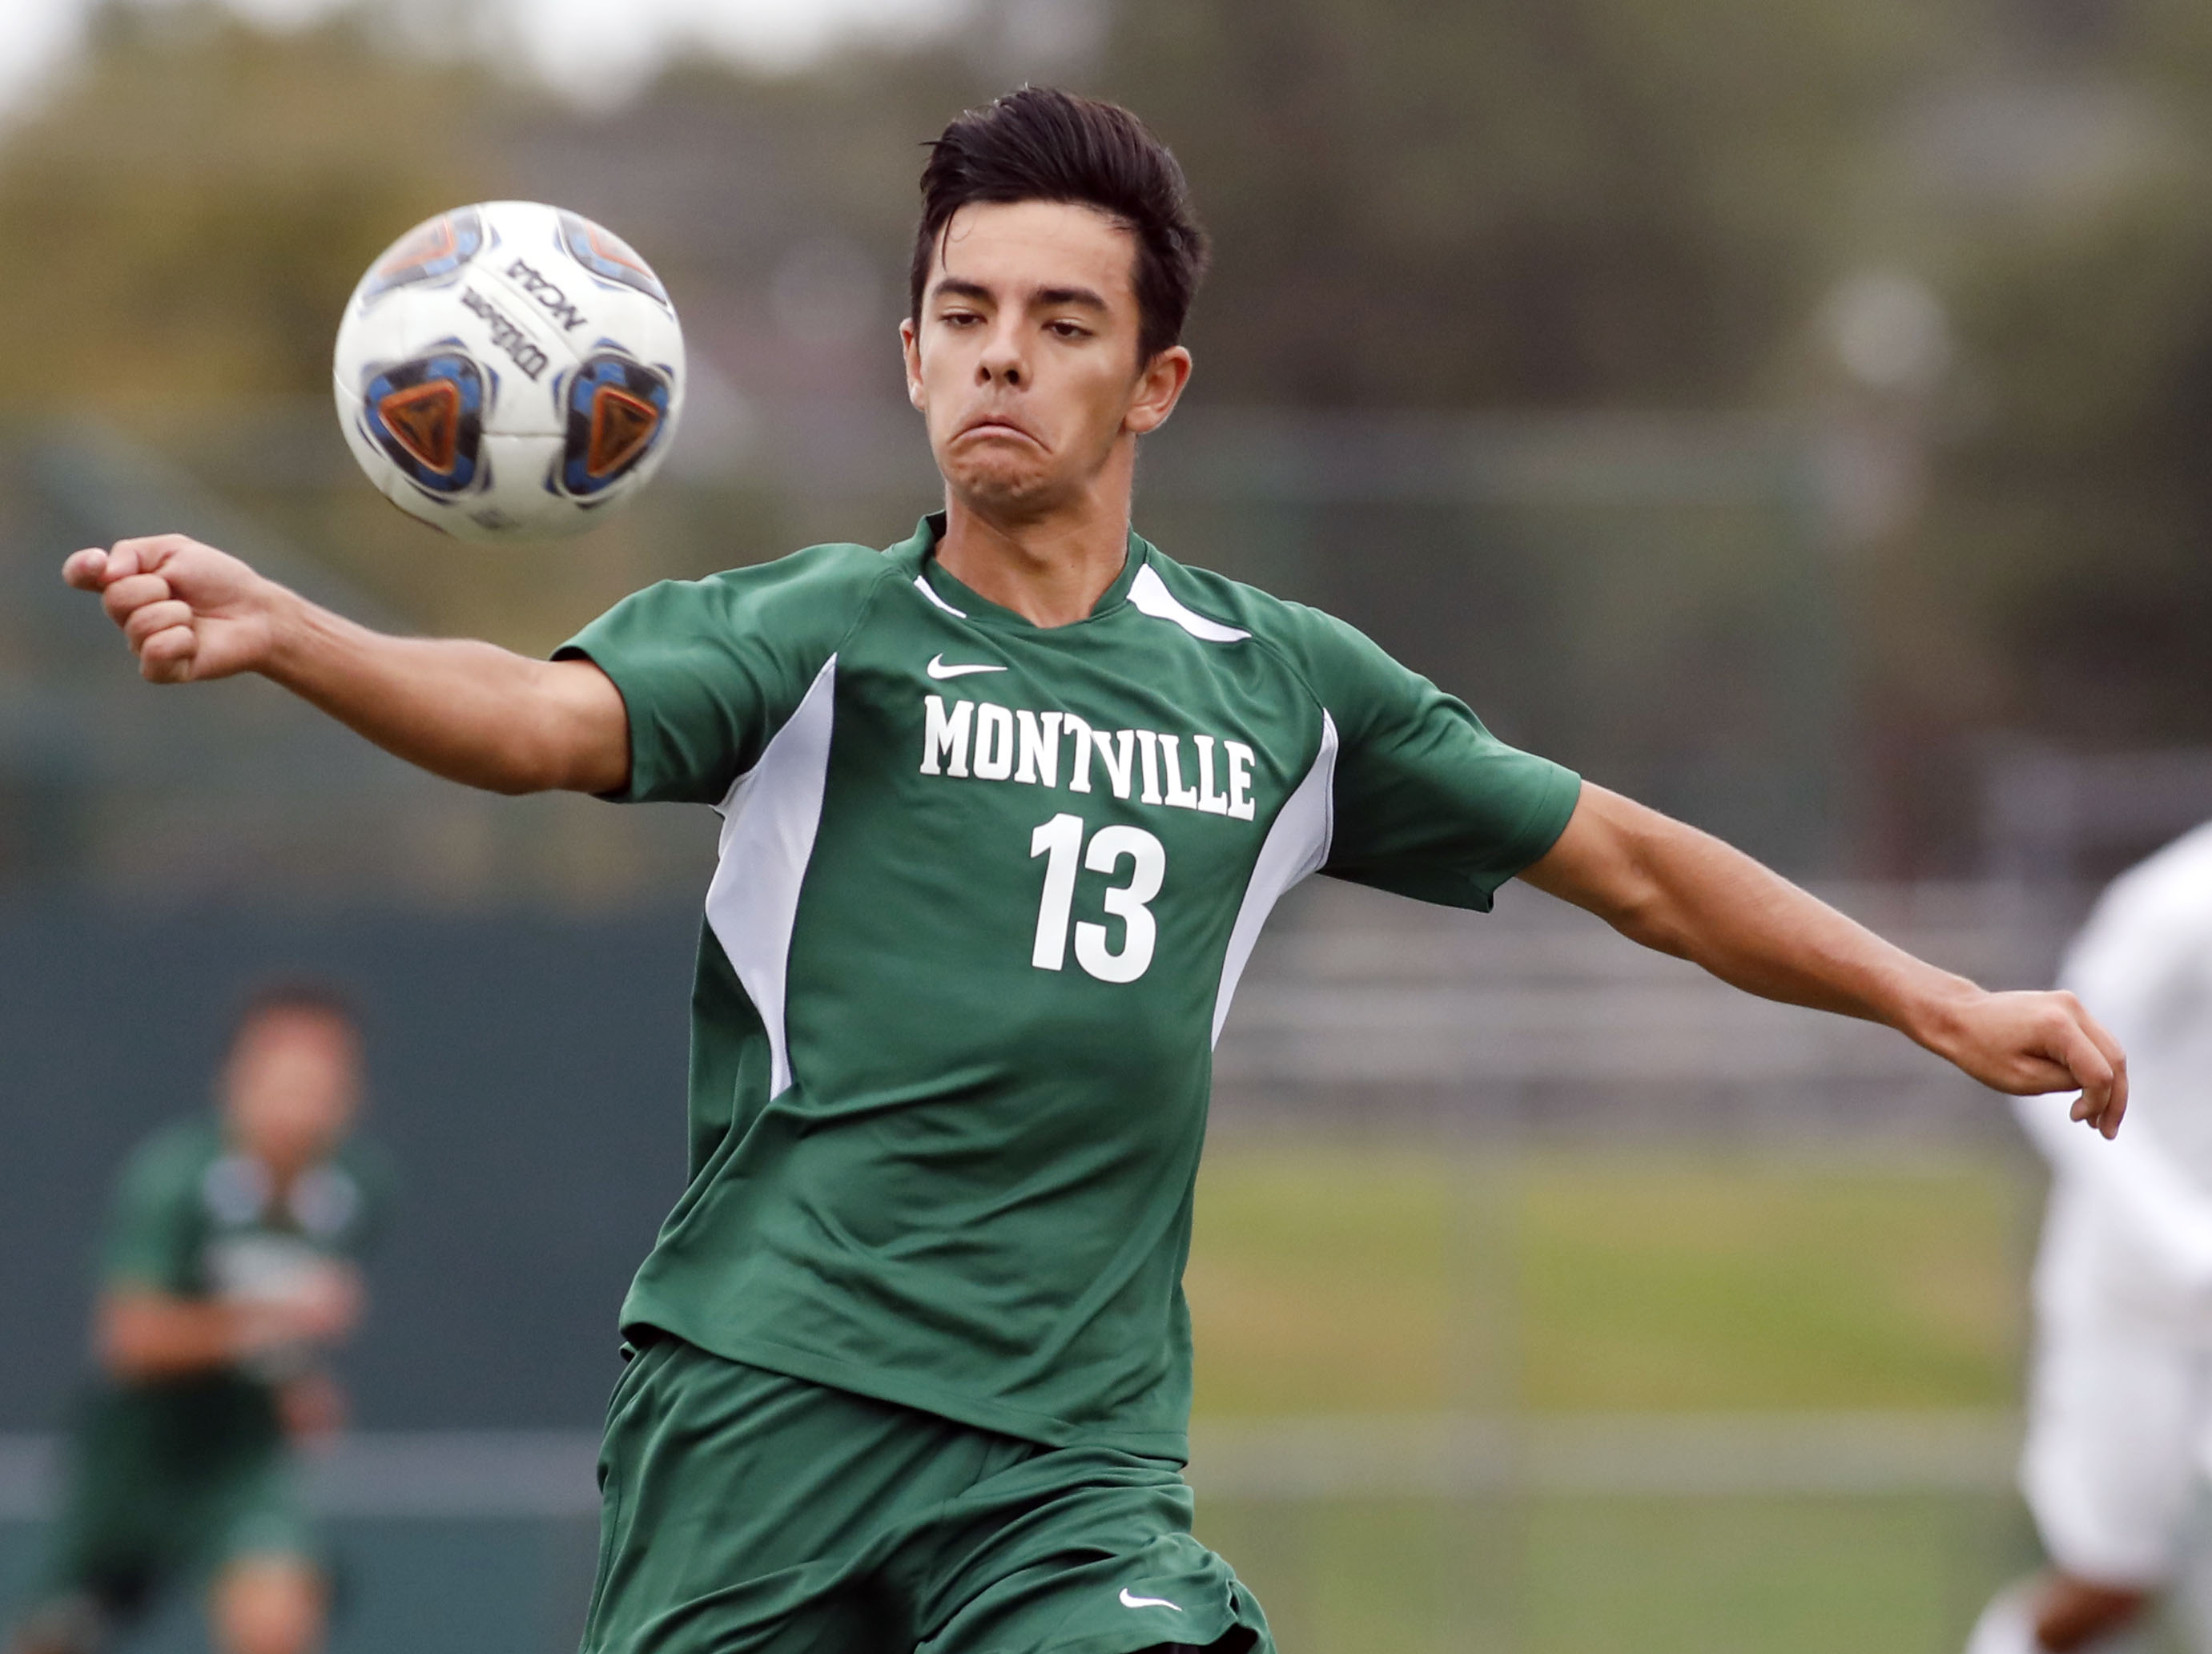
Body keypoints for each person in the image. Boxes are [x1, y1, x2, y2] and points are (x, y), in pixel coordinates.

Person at [62, 87, 2124, 1654]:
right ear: (906, 355)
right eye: (962, 314)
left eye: (1060, 323)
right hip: (767, 1406)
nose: (999, 356)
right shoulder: (817, 633)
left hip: (1070, 1463)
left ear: (1152, 385)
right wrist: (298, 633)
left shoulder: (1281, 687)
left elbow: (1631, 864)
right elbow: (531, 720)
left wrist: (1931, 998)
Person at [6, 985, 388, 1654]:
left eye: (322, 1079)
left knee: (275, 1621)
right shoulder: (174, 1179)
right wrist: (272, 1316)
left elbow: (276, 1333)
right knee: (55, 1636)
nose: (301, 1099)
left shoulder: (357, 1190)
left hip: (240, 1459)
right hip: (135, 1460)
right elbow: (130, 1338)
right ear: (235, 1080)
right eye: (283, 1076)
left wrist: (292, 1381)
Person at [1969, 824, 2212, 1654]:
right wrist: (2185, 1241)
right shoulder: (2179, 902)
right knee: (2111, 1580)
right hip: (2130, 1300)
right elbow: (2052, 1080)